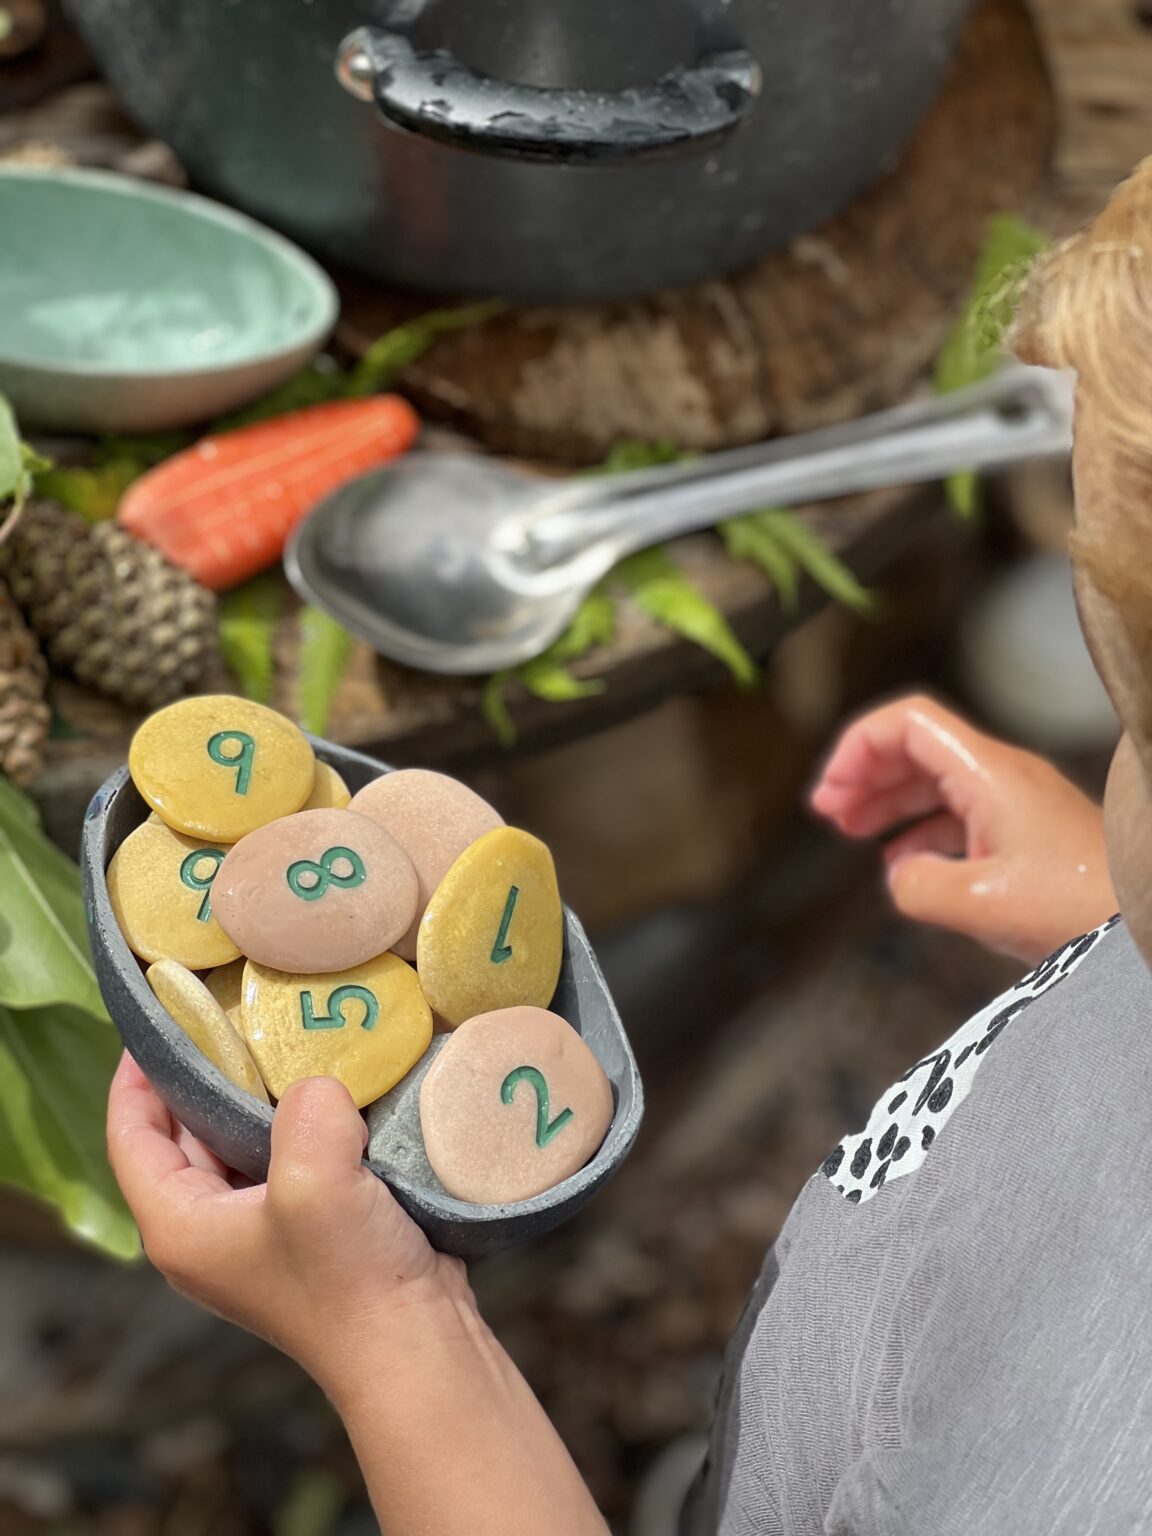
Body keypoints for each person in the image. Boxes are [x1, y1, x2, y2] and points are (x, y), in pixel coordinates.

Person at [107, 158, 1152, 1535]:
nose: (1111, 753)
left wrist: (400, 1344)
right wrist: (1106, 915)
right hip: (845, 1426)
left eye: (1134, 723)